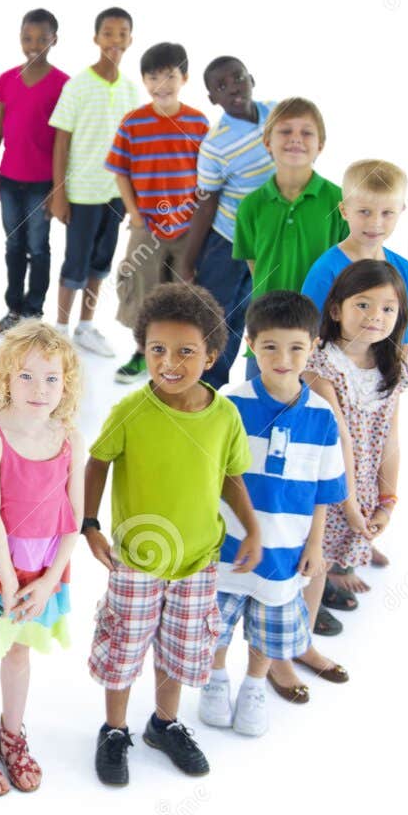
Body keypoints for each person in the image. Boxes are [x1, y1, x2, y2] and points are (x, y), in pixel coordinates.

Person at [83, 284, 258, 786]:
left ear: (212, 355)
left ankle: (164, 723)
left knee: (181, 647)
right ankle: (114, 730)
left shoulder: (224, 415)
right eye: (157, 350)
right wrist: (90, 525)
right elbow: (97, 463)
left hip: (199, 559)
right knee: (125, 644)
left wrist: (252, 528)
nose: (169, 362)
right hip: (136, 559)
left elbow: (231, 476)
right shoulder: (131, 411)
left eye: (186, 351)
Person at [199, 292, 347, 734]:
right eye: (270, 347)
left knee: (268, 628)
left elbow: (325, 490)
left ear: (314, 347)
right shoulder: (229, 403)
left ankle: (254, 686)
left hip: (286, 549)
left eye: (296, 348)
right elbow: (210, 476)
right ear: (250, 344)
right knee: (216, 626)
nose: (283, 358)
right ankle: (216, 680)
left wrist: (316, 545)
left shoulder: (322, 417)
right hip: (226, 545)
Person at [0, 321, 83, 795]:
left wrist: (46, 583)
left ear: (65, 385)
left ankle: (13, 734)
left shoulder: (69, 437)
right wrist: (9, 582)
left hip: (44, 569)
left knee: (20, 652)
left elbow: (76, 518)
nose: (39, 388)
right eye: (25, 376)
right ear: (5, 379)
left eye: (51, 378)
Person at [304, 261, 408, 627]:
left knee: (333, 550)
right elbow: (339, 441)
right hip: (324, 482)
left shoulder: (391, 367)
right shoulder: (321, 365)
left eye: (387, 308)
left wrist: (387, 500)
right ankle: (303, 612)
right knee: (310, 550)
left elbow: (391, 440)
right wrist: (349, 504)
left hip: (361, 485)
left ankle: (321, 586)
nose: (375, 316)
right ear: (336, 310)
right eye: (362, 304)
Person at [107, 42, 211, 383]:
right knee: (142, 287)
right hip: (146, 222)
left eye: (170, 76)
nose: (161, 84)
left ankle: (180, 356)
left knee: (182, 287)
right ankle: (142, 353)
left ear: (185, 78)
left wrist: (196, 218)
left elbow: (208, 174)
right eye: (153, 77)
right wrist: (135, 215)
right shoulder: (134, 122)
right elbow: (120, 170)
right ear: (144, 80)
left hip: (187, 223)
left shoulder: (197, 122)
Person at [47, 8, 138, 356]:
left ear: (130, 40)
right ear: (96, 39)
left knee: (101, 262)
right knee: (76, 261)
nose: (115, 41)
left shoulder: (131, 90)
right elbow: (61, 142)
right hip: (81, 193)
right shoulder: (78, 85)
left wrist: (133, 201)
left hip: (115, 195)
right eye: (109, 33)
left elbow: (133, 149)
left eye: (122, 34)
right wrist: (59, 193)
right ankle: (59, 328)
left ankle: (85, 326)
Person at [178, 56, 273, 387]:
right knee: (219, 319)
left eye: (238, 77)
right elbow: (206, 205)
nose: (233, 87)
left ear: (252, 78)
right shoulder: (217, 144)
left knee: (261, 314)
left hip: (269, 244)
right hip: (228, 241)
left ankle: (260, 388)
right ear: (212, 98)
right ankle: (205, 386)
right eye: (222, 85)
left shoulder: (277, 116)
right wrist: (189, 261)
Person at [0, 9, 68, 333]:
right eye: (27, 38)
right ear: (20, 39)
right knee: (14, 245)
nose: (33, 45)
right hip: (8, 180)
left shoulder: (62, 84)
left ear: (53, 40)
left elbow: (65, 142)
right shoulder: (7, 79)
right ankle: (14, 309)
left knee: (38, 247)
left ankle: (34, 312)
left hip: (41, 184)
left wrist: (59, 189)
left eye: (41, 39)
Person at [301, 159, 408, 348]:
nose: (375, 223)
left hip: (383, 375)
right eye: (364, 212)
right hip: (333, 374)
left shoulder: (404, 270)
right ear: (344, 210)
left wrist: (397, 377)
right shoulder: (325, 270)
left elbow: (402, 340)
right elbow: (307, 340)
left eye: (387, 213)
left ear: (401, 210)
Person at [233, 97, 346, 301]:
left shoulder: (340, 200)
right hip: (267, 320)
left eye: (307, 132)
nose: (295, 139)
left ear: (320, 146)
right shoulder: (250, 205)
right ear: (267, 142)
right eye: (285, 131)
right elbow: (254, 266)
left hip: (322, 320)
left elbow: (349, 264)